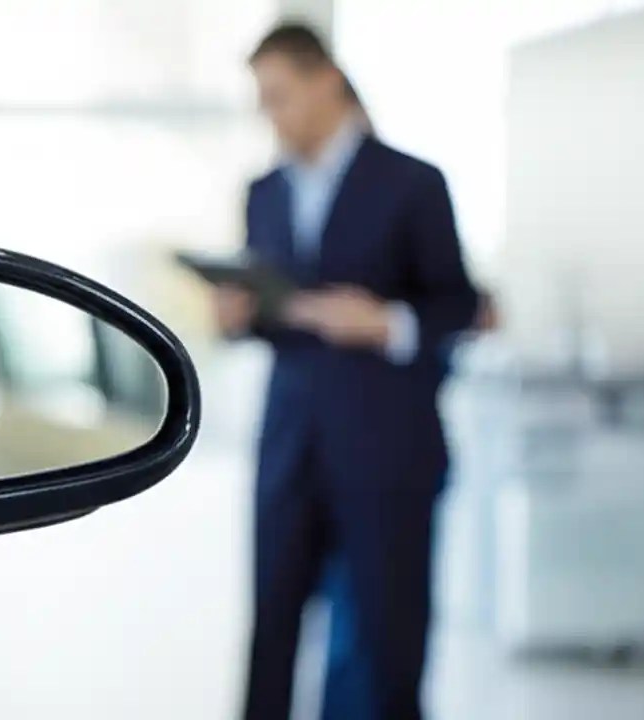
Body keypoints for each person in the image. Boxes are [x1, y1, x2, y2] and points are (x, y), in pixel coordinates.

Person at [216, 23, 478, 720]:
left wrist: (385, 322)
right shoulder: (263, 191)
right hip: (290, 444)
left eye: (281, 95)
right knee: (271, 625)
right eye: (262, 100)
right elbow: (274, 312)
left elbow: (459, 304)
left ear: (326, 79)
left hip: (387, 446)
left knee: (387, 634)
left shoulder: (414, 183)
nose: (272, 113)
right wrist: (239, 315)